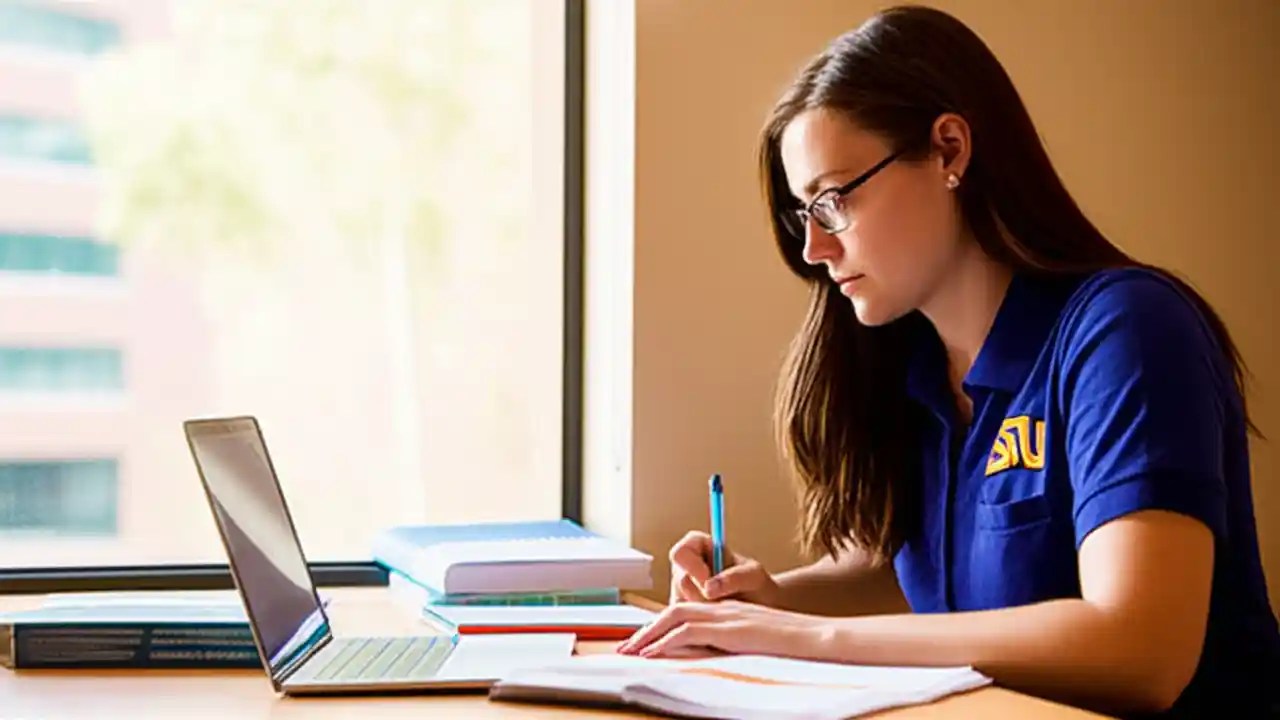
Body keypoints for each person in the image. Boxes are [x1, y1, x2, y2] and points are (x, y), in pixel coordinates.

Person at [615, 6, 1280, 718]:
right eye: (803, 213)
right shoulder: (915, 366)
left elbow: (1142, 648)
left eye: (834, 200)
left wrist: (807, 636)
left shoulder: (1128, 330)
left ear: (949, 150)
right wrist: (772, 599)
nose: (814, 248)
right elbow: (927, 571)